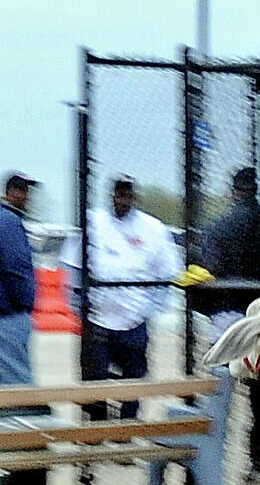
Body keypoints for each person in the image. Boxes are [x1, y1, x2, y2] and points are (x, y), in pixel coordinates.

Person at [60, 175, 183, 420]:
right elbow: (72, 268)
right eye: (119, 194)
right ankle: (94, 439)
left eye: (128, 195)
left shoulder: (152, 229)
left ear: (134, 198)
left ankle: (125, 436)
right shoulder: (94, 222)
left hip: (133, 323)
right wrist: (78, 307)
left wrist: (150, 309)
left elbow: (169, 273)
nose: (123, 200)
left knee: (133, 384)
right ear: (112, 196)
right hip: (98, 320)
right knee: (94, 383)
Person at [196, 167, 260, 475]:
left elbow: (208, 268)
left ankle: (212, 467)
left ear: (234, 191)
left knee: (221, 394)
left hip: (227, 318)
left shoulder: (220, 226)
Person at [0, 173, 38, 385]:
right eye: (21, 190)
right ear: (8, 193)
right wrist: (26, 303)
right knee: (18, 388)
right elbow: (16, 269)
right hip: (7, 317)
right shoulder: (9, 221)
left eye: (27, 191)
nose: (26, 196)